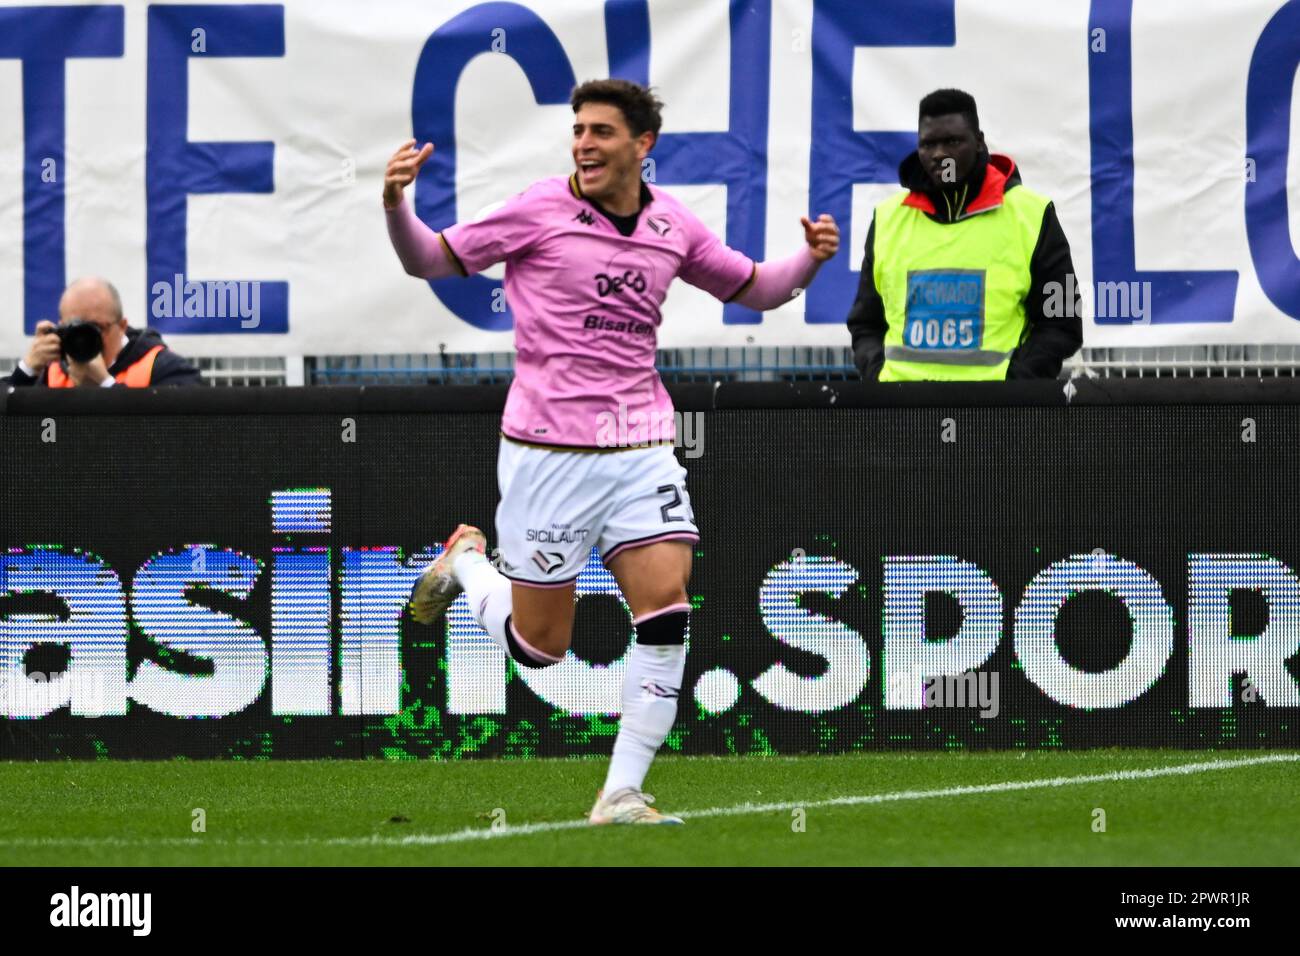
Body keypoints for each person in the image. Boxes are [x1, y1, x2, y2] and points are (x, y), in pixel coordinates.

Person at [384, 79, 840, 824]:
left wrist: (811, 260)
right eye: (578, 131)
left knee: (665, 609)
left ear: (642, 144)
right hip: (546, 453)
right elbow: (429, 261)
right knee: (540, 649)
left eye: (600, 131)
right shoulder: (538, 209)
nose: (584, 144)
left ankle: (620, 791)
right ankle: (467, 559)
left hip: (641, 444)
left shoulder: (673, 226)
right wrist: (396, 206)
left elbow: (755, 289)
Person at [846, 89, 1082, 382]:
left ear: (980, 142)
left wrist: (1017, 385)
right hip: (901, 415)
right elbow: (866, 323)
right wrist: (879, 375)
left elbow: (1063, 321)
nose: (939, 154)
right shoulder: (887, 219)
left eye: (953, 142)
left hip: (995, 416)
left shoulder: (1033, 215)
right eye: (928, 144)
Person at [7, 277, 202, 388]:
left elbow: (181, 434)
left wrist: (106, 384)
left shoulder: (160, 367)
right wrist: (27, 370)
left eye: (96, 328)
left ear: (122, 326)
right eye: (74, 329)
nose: (83, 339)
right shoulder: (53, 371)